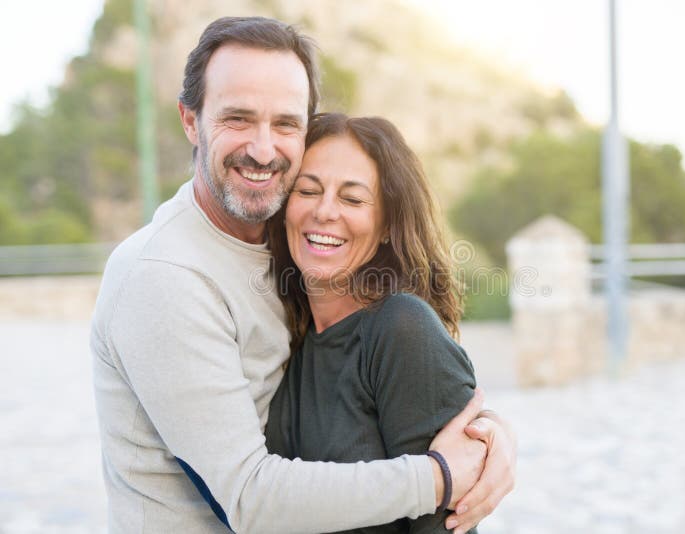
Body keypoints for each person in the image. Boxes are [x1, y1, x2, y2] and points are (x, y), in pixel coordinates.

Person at [91, 16, 515, 534]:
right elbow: (250, 498)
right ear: (190, 120)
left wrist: (489, 435)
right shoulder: (164, 276)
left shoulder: (281, 245)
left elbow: (400, 378)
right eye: (238, 118)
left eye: (286, 123)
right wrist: (440, 476)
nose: (264, 149)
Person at [265, 113, 484, 534]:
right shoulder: (288, 335)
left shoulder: (403, 328)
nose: (324, 211)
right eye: (307, 190)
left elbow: (449, 524)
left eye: (352, 199)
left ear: (386, 225)